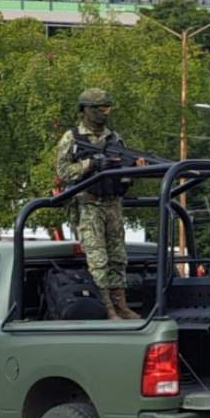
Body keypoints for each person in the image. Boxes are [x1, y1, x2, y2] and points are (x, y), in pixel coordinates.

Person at [54, 88, 141, 320]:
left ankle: (120, 305)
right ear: (85, 110)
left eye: (107, 108)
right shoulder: (72, 138)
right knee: (98, 259)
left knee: (118, 257)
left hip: (112, 204)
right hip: (89, 206)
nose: (105, 113)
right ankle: (108, 308)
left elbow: (125, 167)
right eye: (99, 109)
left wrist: (131, 169)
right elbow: (63, 172)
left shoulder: (114, 138)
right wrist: (91, 164)